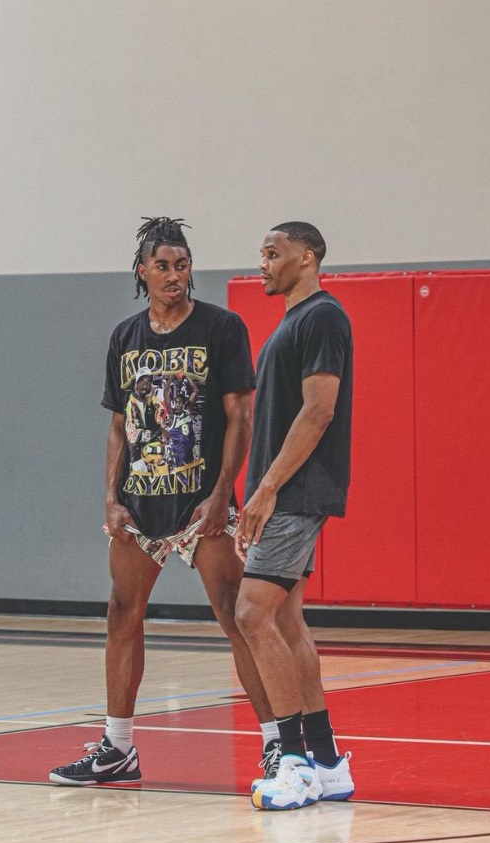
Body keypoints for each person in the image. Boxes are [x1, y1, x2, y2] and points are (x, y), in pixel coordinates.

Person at [50, 216, 274, 786]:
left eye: (183, 265)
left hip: (201, 502)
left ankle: (278, 745)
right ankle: (118, 747)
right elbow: (120, 428)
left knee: (235, 616)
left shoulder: (222, 328)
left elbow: (239, 415)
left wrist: (223, 491)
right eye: (164, 266)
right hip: (140, 503)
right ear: (143, 272)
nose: (176, 275)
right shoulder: (125, 338)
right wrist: (110, 498)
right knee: (122, 614)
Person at [234, 222, 355, 810]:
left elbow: (318, 411)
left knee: (251, 615)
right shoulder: (293, 320)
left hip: (295, 492)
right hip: (288, 492)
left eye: (273, 253)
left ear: (307, 258)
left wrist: (266, 490)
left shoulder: (322, 317)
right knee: (285, 624)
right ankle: (328, 762)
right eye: (261, 253)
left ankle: (295, 763)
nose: (263, 263)